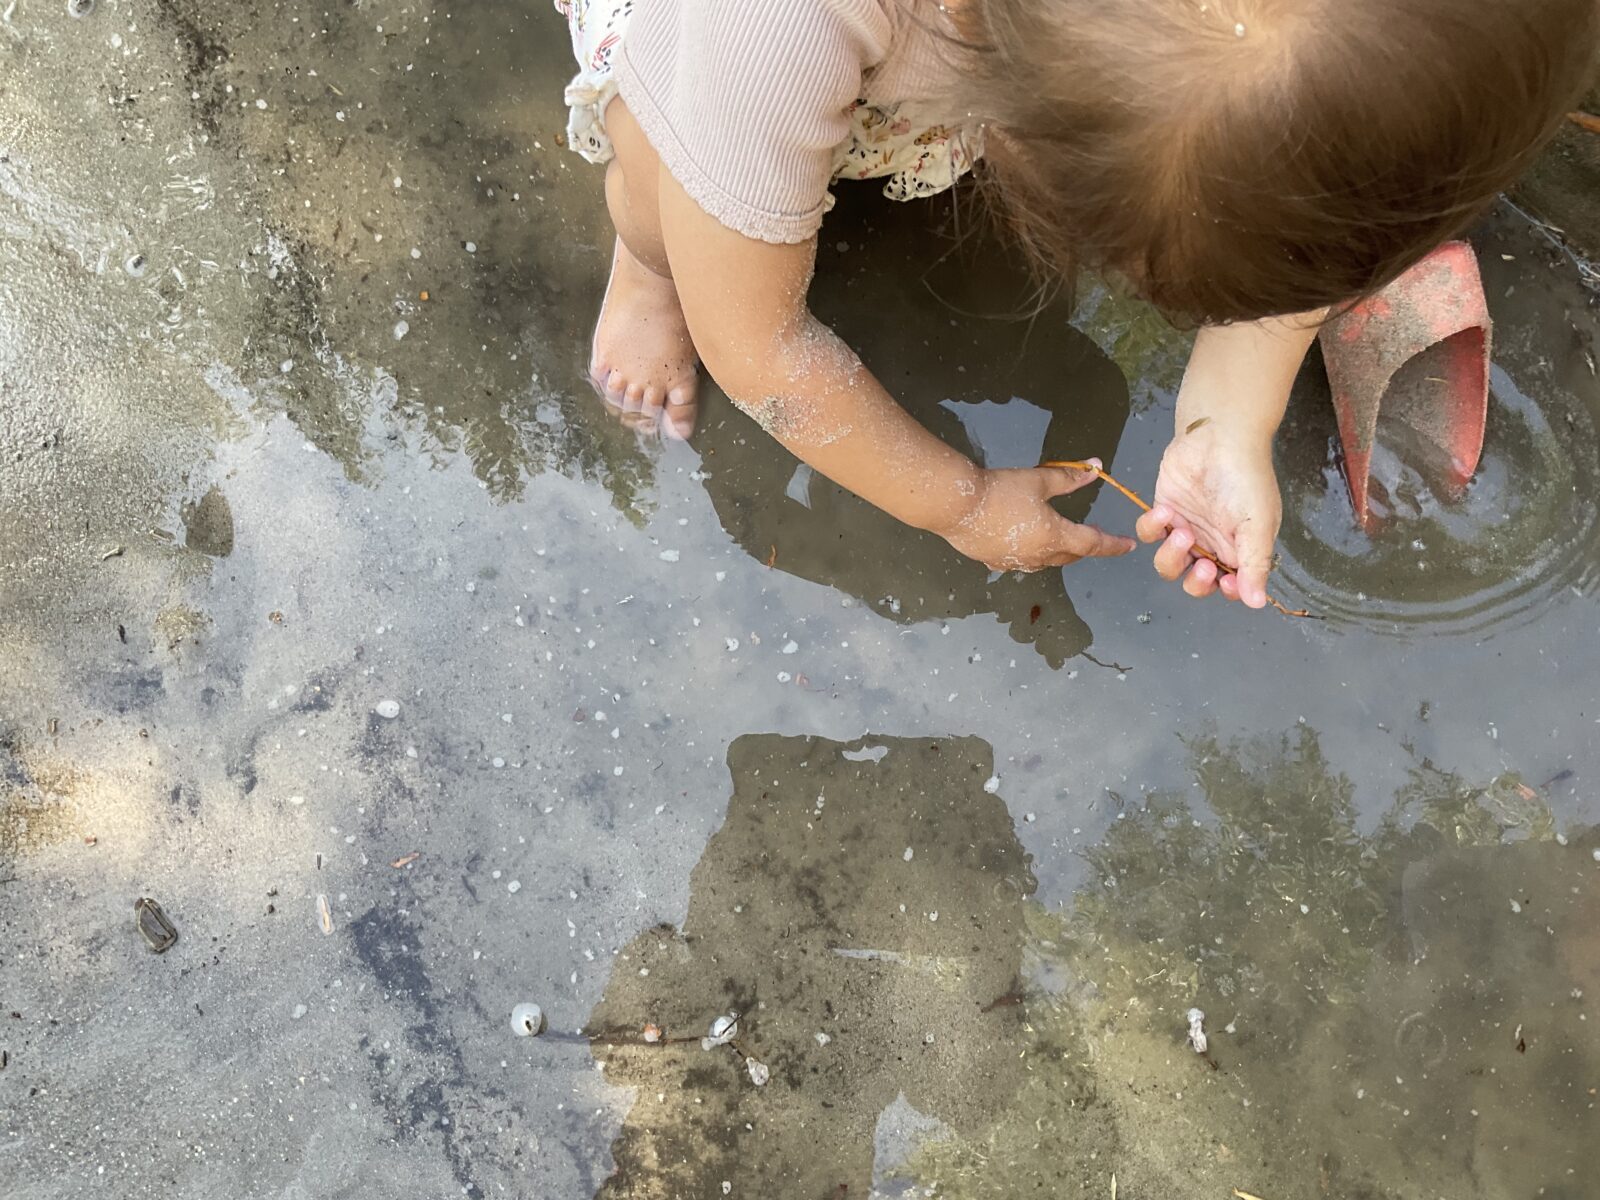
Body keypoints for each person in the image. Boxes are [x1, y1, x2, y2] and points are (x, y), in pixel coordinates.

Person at [555, 0, 1598, 607]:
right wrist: (958, 501)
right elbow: (767, 357)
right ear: (1024, 142)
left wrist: (1227, 420)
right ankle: (647, 265)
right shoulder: (770, 27)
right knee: (677, 181)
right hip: (687, 45)